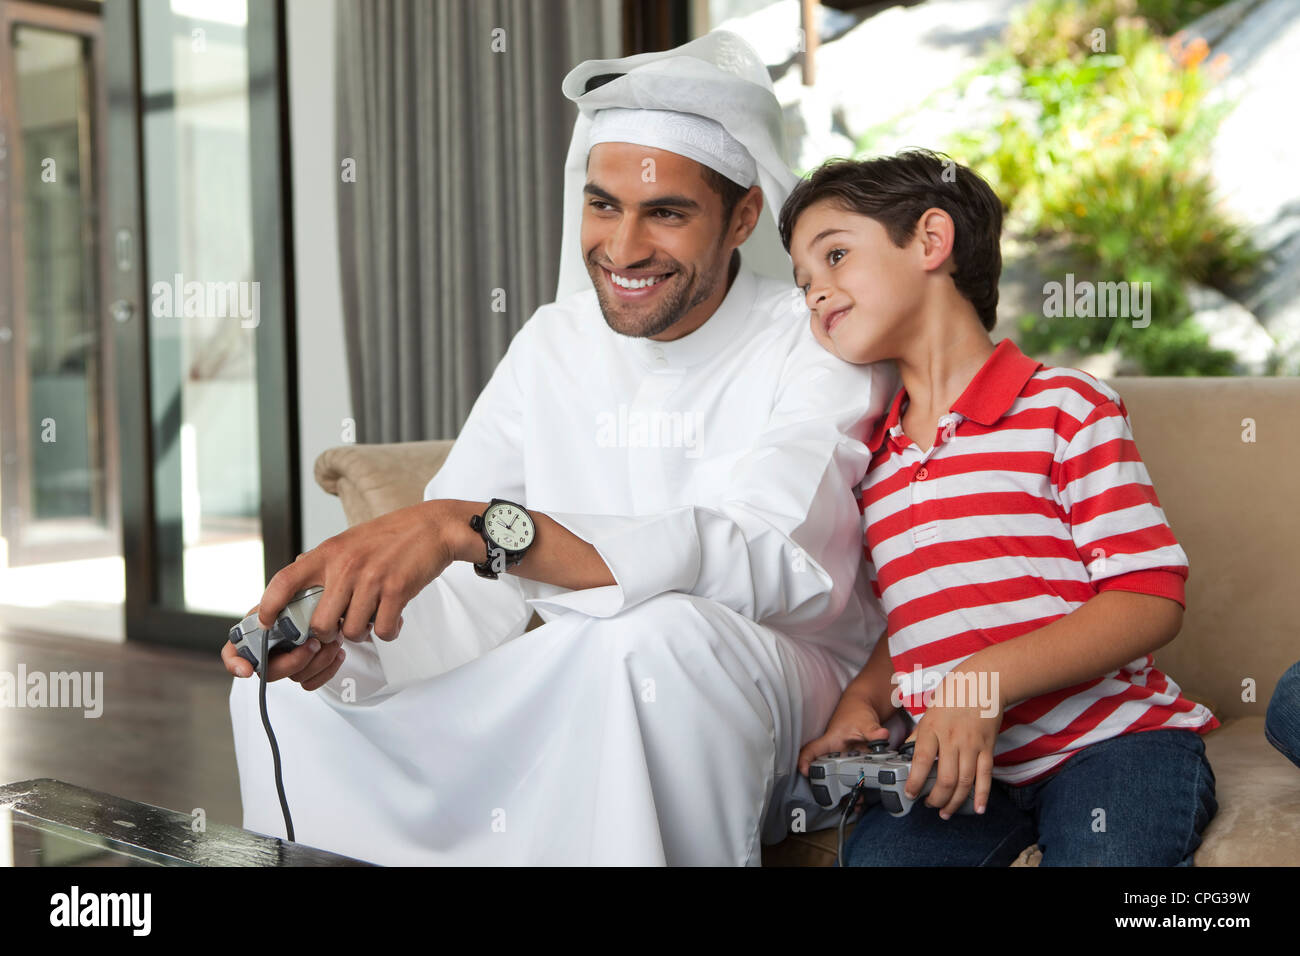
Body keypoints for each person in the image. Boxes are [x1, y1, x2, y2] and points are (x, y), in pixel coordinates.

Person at [222, 32, 898, 866]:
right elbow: (469, 587)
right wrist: (348, 638)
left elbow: (769, 557)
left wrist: (480, 528)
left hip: (779, 687)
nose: (621, 249)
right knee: (286, 694)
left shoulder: (816, 337)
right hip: (587, 670)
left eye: (667, 212)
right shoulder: (555, 341)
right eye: (603, 205)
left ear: (744, 217)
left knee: (648, 639)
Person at [782, 149, 1219, 866]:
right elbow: (920, 620)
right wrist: (863, 703)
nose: (816, 294)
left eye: (834, 256)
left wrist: (981, 683)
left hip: (1114, 747)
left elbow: (1147, 597)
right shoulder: (873, 458)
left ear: (931, 241)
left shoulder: (1066, 408)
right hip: (955, 774)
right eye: (803, 284)